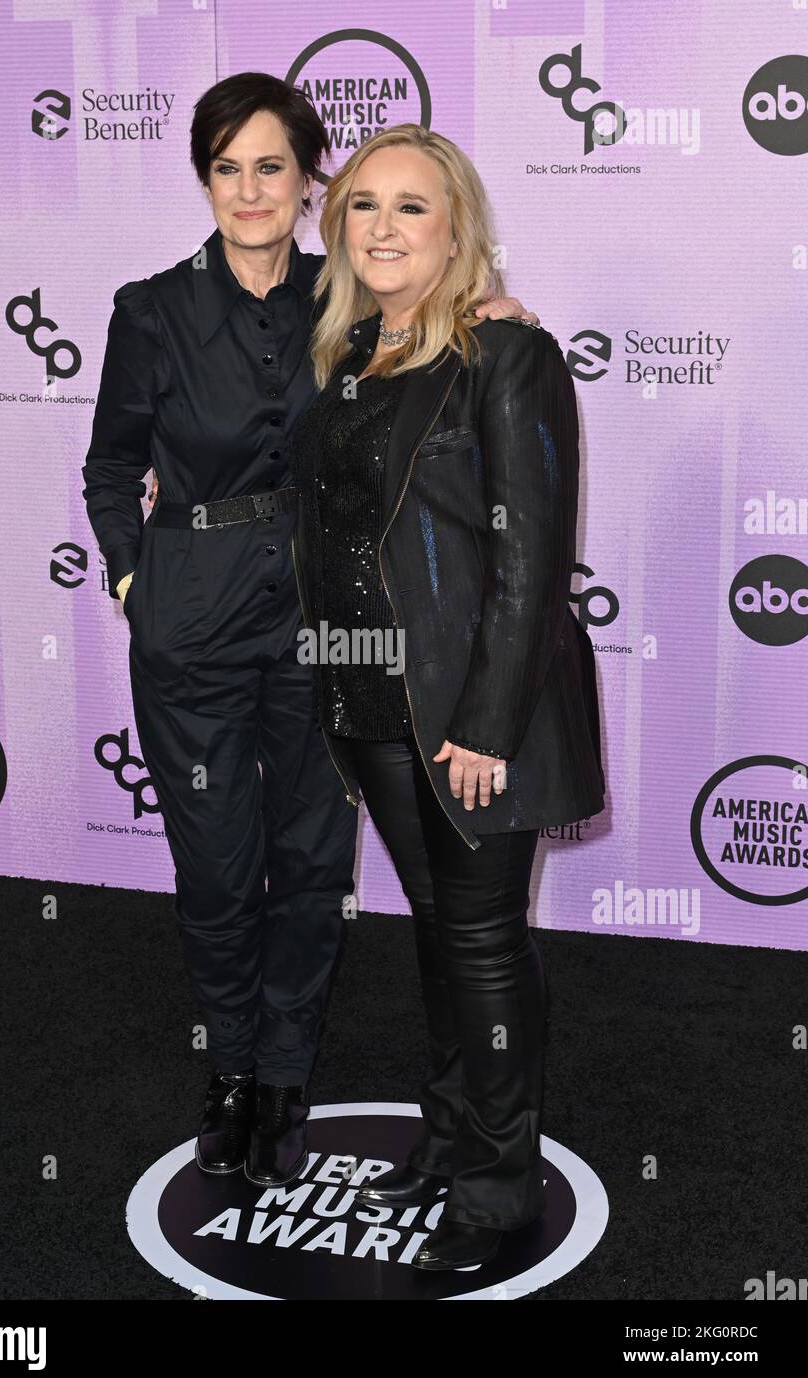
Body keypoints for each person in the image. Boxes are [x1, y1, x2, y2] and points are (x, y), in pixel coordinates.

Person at [81, 75, 535, 1190]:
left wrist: (495, 308)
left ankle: (287, 1079)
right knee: (218, 867)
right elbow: (109, 467)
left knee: (309, 857)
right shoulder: (149, 309)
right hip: (190, 618)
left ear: (306, 179)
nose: (250, 189)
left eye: (271, 166)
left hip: (329, 624)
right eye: (227, 167)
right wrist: (137, 581)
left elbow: (443, 342)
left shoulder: (351, 294)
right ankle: (229, 1071)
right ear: (203, 179)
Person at [290, 123, 606, 1271]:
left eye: (411, 207)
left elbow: (530, 553)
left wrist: (486, 718)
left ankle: (496, 1186)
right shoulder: (350, 351)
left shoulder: (504, 354)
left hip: (465, 712)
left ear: (456, 226)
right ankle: (447, 1128)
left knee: (477, 937)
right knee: (438, 925)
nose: (382, 226)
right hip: (370, 702)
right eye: (363, 205)